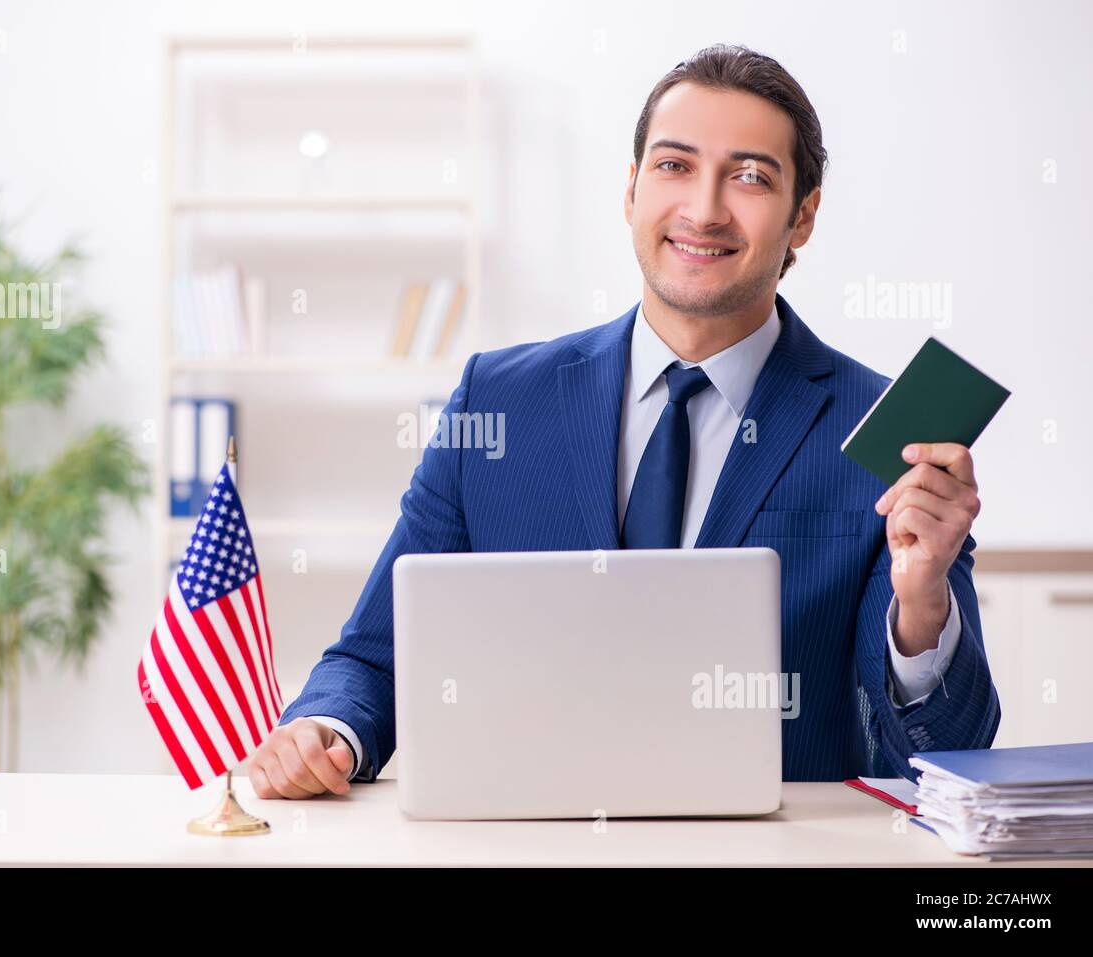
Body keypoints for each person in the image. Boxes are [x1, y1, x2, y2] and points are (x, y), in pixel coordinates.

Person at [249, 43, 998, 799]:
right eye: (675, 166)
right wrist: (326, 730)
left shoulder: (881, 432)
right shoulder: (496, 403)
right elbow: (375, 659)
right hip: (526, 848)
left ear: (802, 217)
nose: (704, 208)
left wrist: (924, 597)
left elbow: (947, 751)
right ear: (632, 188)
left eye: (749, 177)